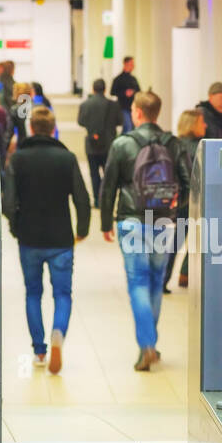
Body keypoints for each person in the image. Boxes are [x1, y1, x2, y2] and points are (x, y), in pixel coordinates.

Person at [100, 91, 190, 371]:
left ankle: (147, 344)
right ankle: (151, 343)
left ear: (137, 112)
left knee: (137, 282)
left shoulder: (122, 143)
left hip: (132, 220)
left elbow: (109, 187)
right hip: (163, 221)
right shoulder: (173, 144)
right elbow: (188, 185)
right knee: (154, 282)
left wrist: (105, 222)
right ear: (157, 113)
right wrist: (173, 208)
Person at [3, 105, 90, 374]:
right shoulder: (67, 158)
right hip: (61, 237)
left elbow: (7, 202)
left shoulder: (17, 160)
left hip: (29, 237)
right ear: (53, 129)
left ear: (31, 129)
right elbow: (82, 199)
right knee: (63, 293)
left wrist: (16, 227)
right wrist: (82, 230)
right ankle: (58, 334)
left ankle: (39, 350)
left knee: (33, 293)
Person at [164, 109, 205, 292]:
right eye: (201, 122)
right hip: (193, 200)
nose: (205, 125)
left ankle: (163, 279)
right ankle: (185, 275)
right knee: (199, 241)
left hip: (176, 200)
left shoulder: (174, 144)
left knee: (174, 243)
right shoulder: (200, 147)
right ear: (193, 125)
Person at [78, 78, 123, 207]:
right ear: (105, 89)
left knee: (94, 173)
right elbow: (120, 121)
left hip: (92, 143)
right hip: (109, 144)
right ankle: (107, 199)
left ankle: (97, 200)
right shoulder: (113, 105)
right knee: (108, 173)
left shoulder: (85, 104)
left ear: (93, 89)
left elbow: (80, 121)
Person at [110, 56, 140, 133]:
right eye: (131, 64)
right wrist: (124, 93)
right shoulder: (118, 79)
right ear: (125, 64)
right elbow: (112, 92)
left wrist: (133, 92)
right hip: (123, 107)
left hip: (133, 107)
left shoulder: (133, 79)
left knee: (132, 128)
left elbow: (139, 91)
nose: (133, 66)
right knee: (128, 127)